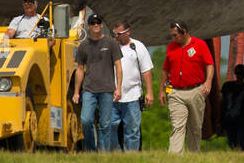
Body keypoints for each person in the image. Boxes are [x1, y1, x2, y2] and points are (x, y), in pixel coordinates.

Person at [162, 20, 214, 153]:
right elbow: (165, 70)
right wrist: (162, 90)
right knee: (177, 126)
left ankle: (193, 156)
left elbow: (209, 64)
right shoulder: (171, 47)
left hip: (195, 91)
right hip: (175, 92)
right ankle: (175, 158)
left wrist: (208, 82)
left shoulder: (200, 44)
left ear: (184, 32)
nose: (173, 38)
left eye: (175, 35)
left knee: (195, 127)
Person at [73, 13, 123, 152]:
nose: (96, 25)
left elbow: (118, 66)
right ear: (88, 26)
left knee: (105, 124)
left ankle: (103, 153)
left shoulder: (111, 43)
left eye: (98, 23)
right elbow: (80, 69)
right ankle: (90, 150)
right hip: (89, 89)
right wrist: (77, 92)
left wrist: (118, 88)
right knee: (86, 120)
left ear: (102, 25)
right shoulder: (83, 45)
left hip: (107, 89)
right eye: (93, 23)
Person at [111, 19, 153, 152]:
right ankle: (115, 155)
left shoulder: (137, 46)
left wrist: (149, 92)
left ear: (128, 32)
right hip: (113, 96)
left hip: (132, 95)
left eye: (119, 33)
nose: (116, 36)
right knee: (111, 126)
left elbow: (146, 71)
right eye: (114, 34)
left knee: (132, 130)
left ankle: (132, 156)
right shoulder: (112, 46)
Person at [221, 63, 244, 150]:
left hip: (241, 119)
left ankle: (239, 157)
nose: (239, 75)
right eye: (238, 73)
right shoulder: (228, 86)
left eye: (241, 73)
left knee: (241, 143)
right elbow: (222, 103)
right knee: (232, 142)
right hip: (230, 119)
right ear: (235, 73)